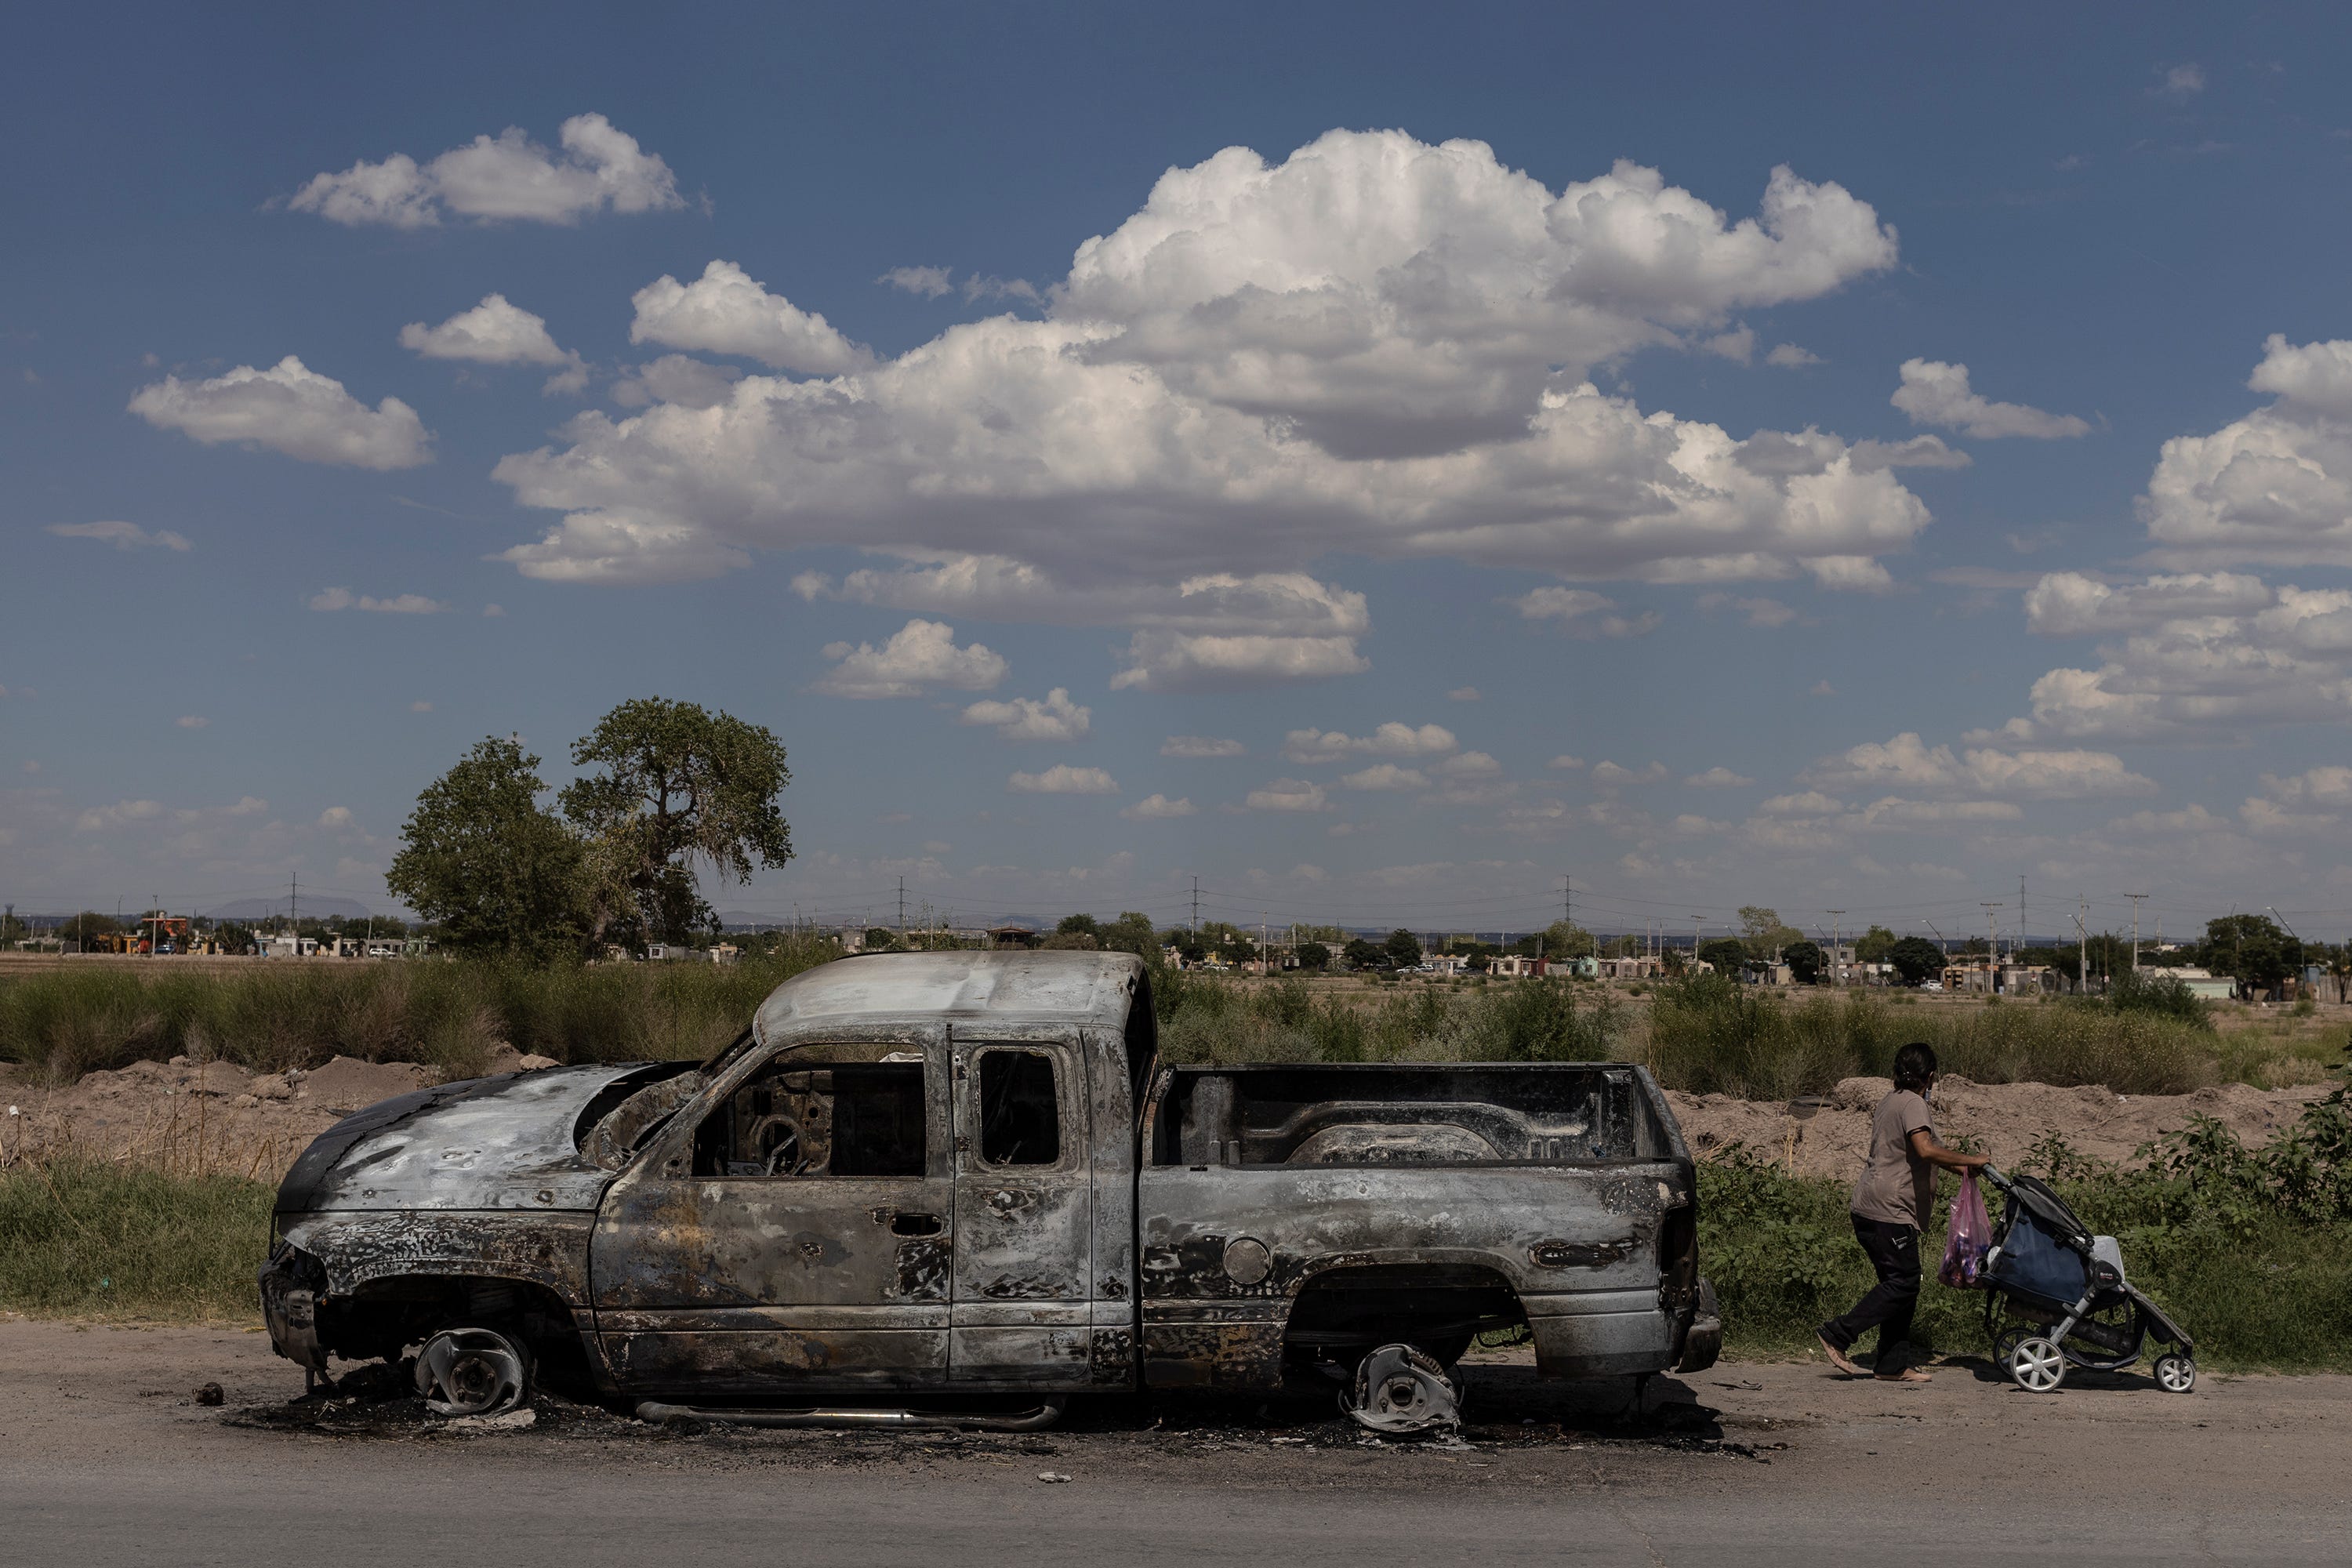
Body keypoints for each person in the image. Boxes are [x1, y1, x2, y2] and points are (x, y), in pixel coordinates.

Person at [1818, 1041, 1988, 1383]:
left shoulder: (1891, 1101)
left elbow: (1920, 1153)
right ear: (1931, 1076)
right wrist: (1973, 1159)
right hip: (1889, 1210)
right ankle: (1838, 1334)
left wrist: (1965, 1171)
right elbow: (1926, 1150)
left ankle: (1892, 1365)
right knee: (1904, 1283)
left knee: (1899, 1285)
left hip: (1869, 1205)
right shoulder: (1914, 1104)